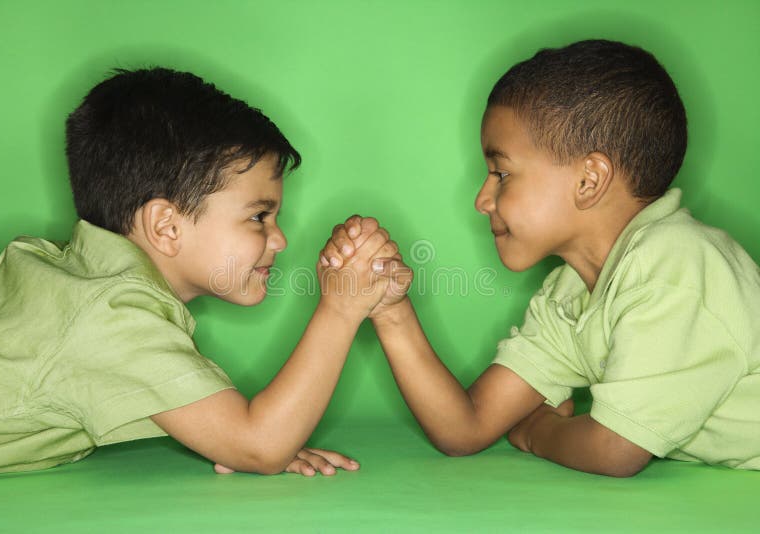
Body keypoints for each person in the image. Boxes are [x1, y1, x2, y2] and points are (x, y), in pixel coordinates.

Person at [323, 40, 760, 476]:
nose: (481, 200)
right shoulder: (571, 293)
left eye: (502, 174)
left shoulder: (675, 268)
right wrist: (392, 310)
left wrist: (537, 431)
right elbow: (466, 427)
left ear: (589, 180)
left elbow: (615, 450)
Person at [0, 67, 407, 477]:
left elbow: (249, 438)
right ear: (166, 227)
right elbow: (260, 445)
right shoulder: (110, 316)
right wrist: (341, 308)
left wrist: (232, 432)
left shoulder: (84, 289)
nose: (280, 240)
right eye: (259, 217)